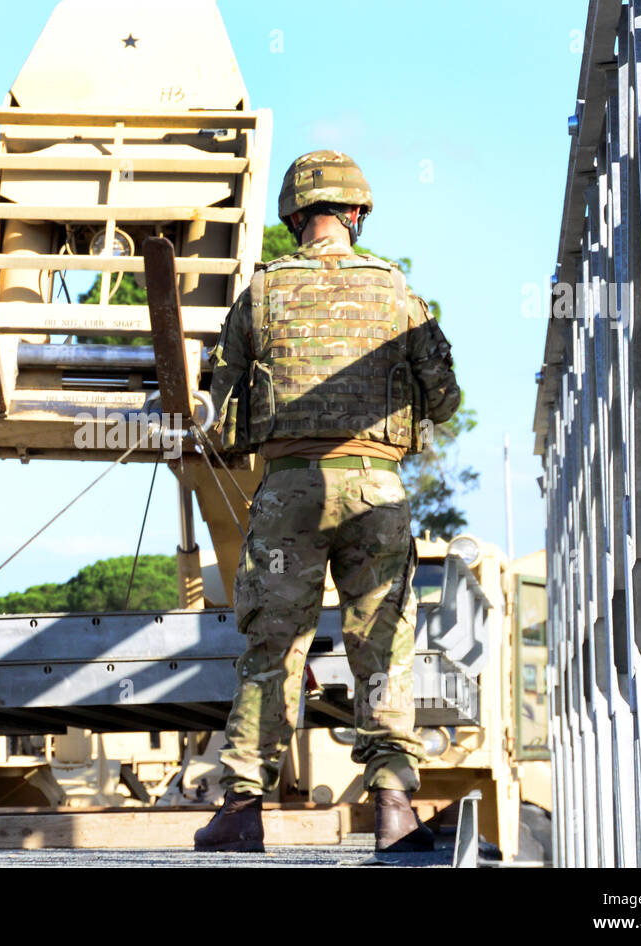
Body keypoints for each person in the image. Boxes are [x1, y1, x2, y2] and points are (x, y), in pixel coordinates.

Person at [193, 150, 461, 853]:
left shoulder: (262, 290)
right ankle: (395, 804)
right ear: (356, 213)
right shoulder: (397, 288)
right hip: (376, 487)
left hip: (289, 491)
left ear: (294, 218)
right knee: (383, 648)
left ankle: (243, 810)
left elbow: (217, 421)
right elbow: (445, 395)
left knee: (273, 646)